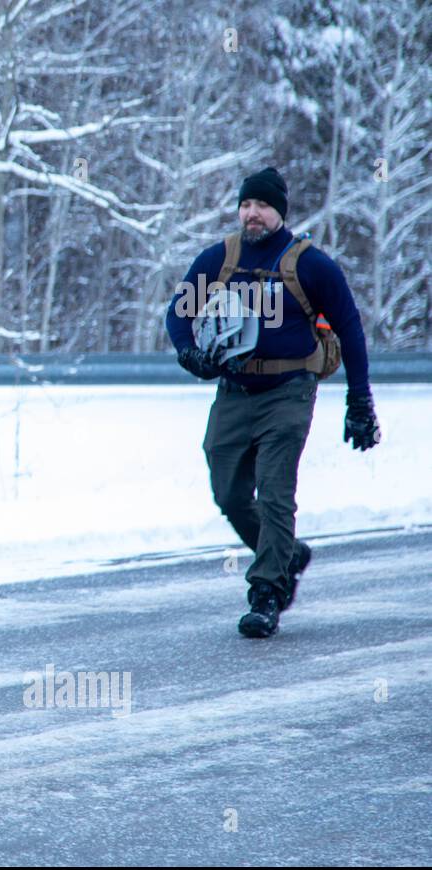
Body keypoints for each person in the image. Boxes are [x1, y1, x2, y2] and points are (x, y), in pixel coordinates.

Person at [166, 166, 380, 638]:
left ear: (278, 211)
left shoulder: (309, 263)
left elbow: (350, 328)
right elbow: (178, 311)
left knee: (275, 491)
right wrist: (189, 354)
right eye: (245, 205)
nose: (251, 213)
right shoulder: (220, 258)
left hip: (289, 390)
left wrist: (359, 400)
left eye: (261, 205)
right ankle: (288, 554)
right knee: (228, 492)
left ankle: (266, 592)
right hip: (234, 389)